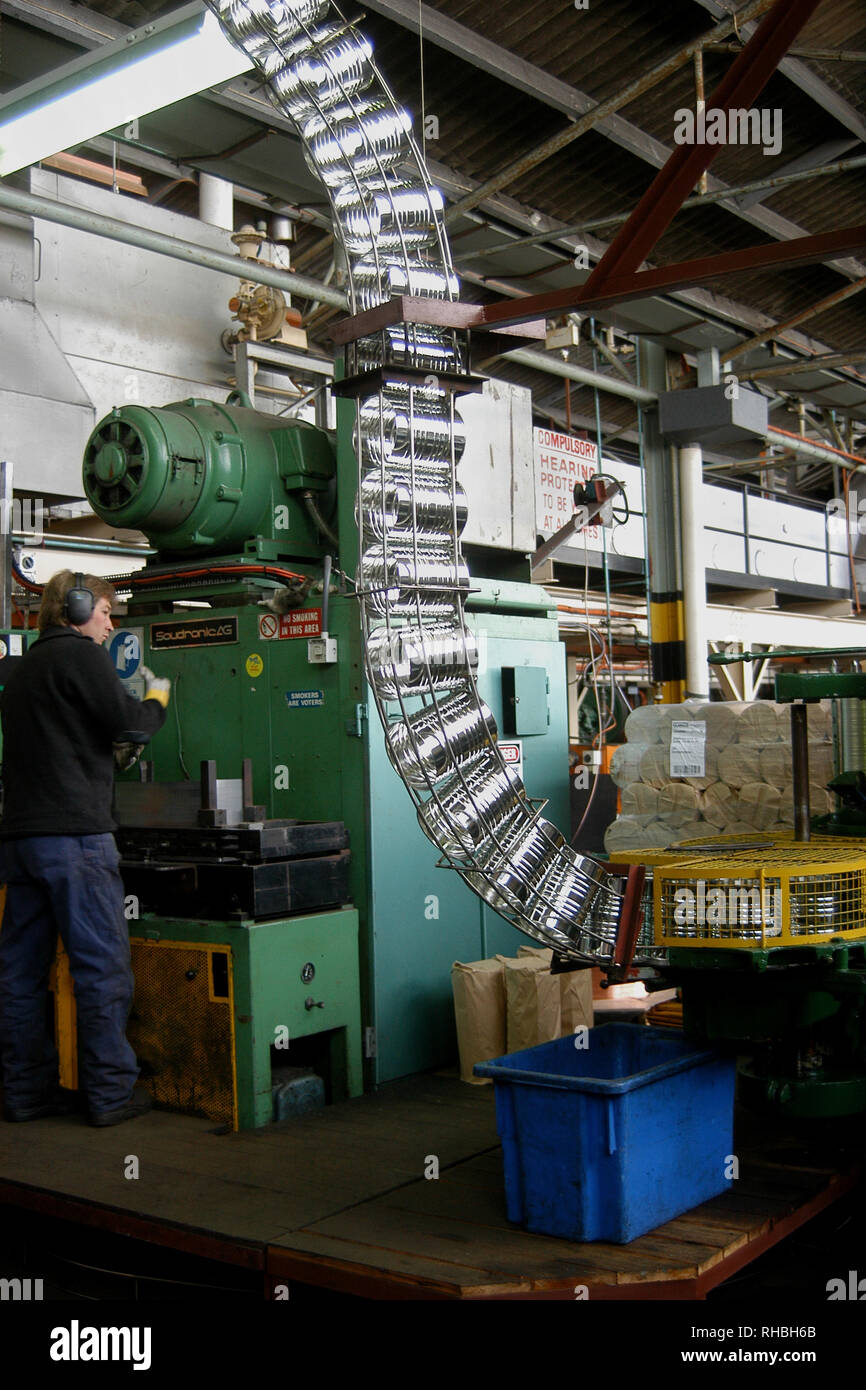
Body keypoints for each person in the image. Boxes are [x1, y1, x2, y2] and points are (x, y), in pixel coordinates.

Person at [0, 570, 171, 1127]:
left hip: (22, 843)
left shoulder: (21, 670)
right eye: (104, 610)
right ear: (75, 607)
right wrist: (156, 699)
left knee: (19, 974)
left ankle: (25, 1092)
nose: (110, 623)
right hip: (76, 842)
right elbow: (130, 727)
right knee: (101, 970)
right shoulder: (82, 657)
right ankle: (110, 1094)